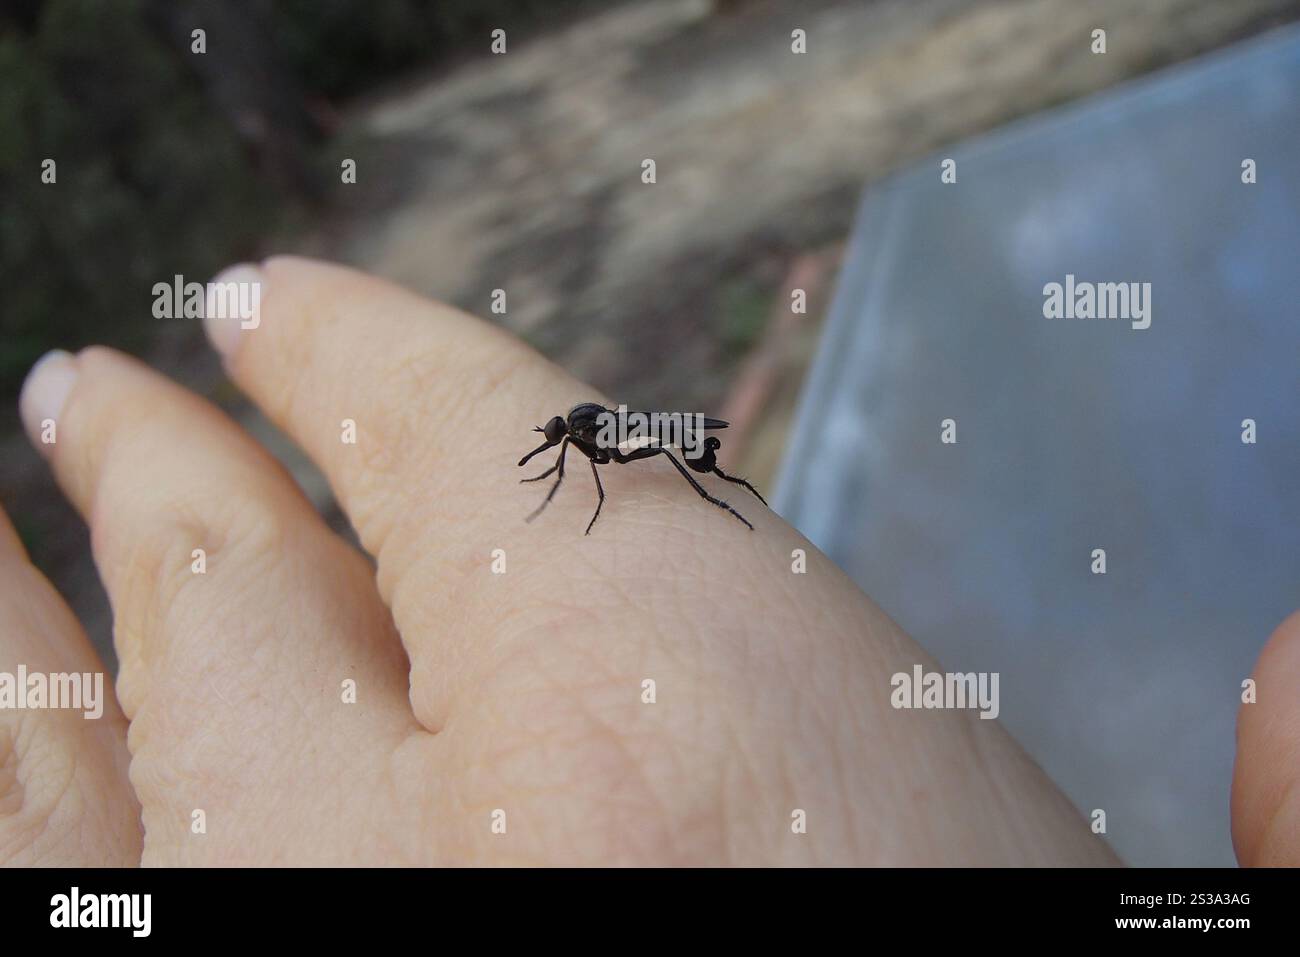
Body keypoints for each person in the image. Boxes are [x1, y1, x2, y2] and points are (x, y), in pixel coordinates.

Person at [2, 257, 1290, 865]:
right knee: (673, 468)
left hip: (675, 448)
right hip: (665, 447)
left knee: (686, 471)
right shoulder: (579, 442)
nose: (559, 447)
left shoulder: (607, 443)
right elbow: (570, 460)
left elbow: (600, 461)